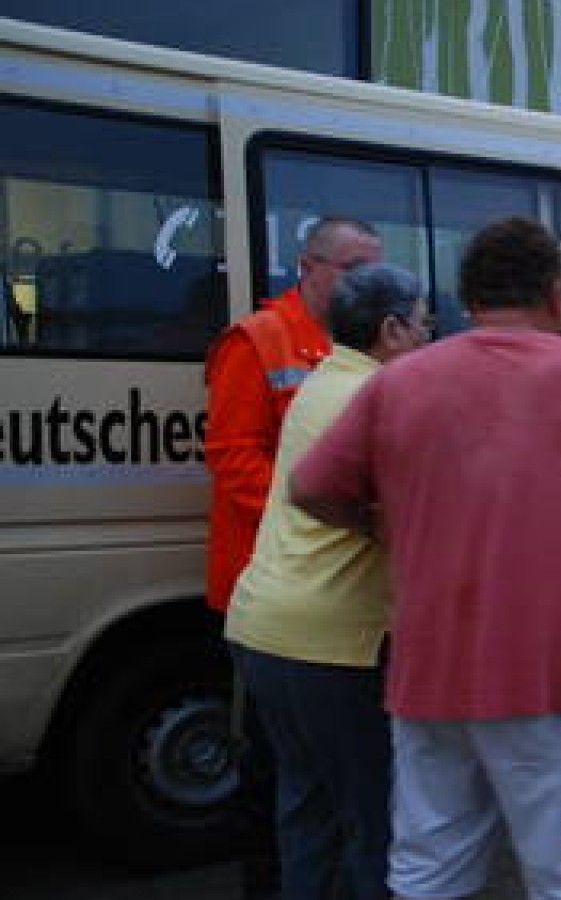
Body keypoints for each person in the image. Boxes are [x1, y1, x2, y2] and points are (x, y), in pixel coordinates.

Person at [291, 218, 561, 900]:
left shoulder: (400, 380)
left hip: (428, 678)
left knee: (429, 878)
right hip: (552, 677)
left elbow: (309, 487)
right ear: (556, 293)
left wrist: (387, 530)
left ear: (467, 299)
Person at [225, 263, 428, 899]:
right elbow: (409, 517)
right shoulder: (379, 401)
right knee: (376, 825)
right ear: (393, 329)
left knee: (306, 808)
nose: (430, 338)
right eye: (425, 324)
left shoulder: (321, 381)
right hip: (333, 644)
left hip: (262, 627)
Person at [203, 215, 381, 897]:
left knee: (305, 772)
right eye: (352, 267)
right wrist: (307, 505)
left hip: (322, 591)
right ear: (307, 268)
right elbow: (230, 455)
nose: (363, 281)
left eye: (373, 268)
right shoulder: (259, 340)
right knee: (276, 766)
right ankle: (268, 881)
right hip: (267, 579)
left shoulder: (348, 344)